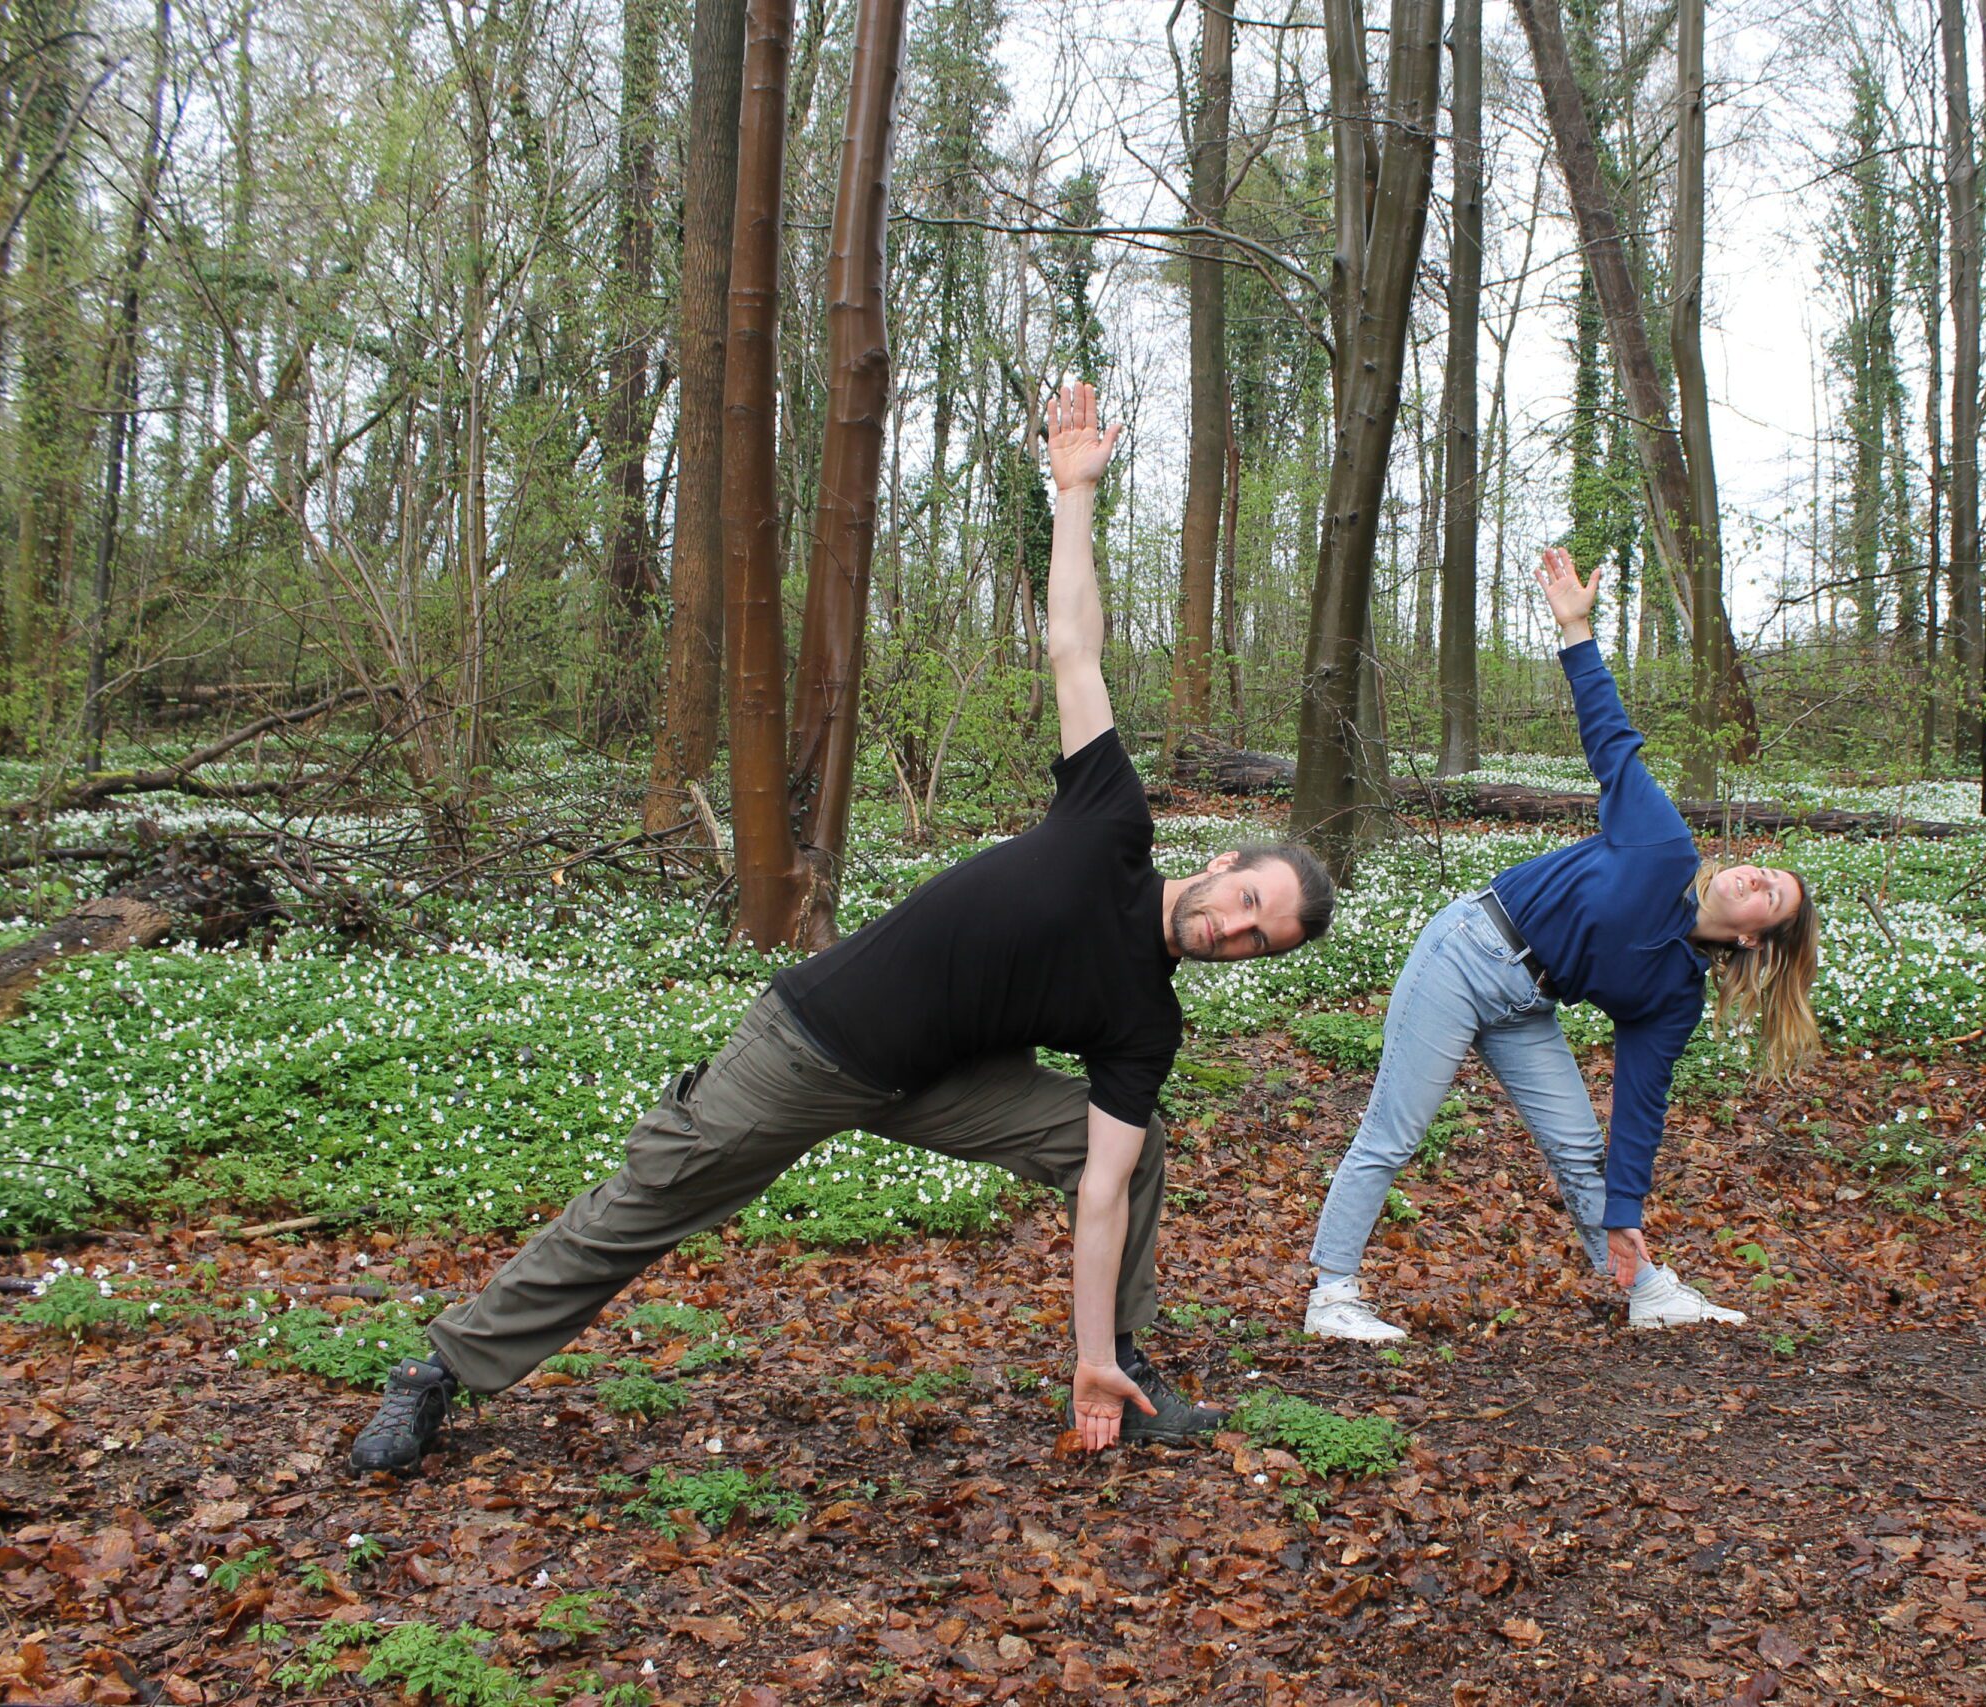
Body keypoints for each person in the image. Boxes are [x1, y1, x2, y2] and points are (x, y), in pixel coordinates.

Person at [351, 383, 1334, 1472]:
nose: (1234, 932)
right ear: (1224, 864)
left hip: (942, 1083)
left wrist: (1087, 1350)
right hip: (814, 1046)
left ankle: (1127, 1369)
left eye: (1259, 942)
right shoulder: (1110, 817)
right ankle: (439, 1369)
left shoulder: (1144, 1022)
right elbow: (1074, 650)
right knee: (650, 1201)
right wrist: (1072, 496)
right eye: (1248, 903)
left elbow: (1099, 1187)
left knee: (1129, 1148)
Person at [1302, 546, 1817, 1342]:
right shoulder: (1664, 845)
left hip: (1525, 999)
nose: (1752, 876)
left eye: (1769, 894)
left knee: (1583, 1149)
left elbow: (1641, 1107)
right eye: (1760, 868)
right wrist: (1575, 627)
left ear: (1753, 936)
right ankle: (1332, 1293)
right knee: (1396, 1128)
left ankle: (1643, 1287)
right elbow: (1611, 738)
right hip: (1468, 949)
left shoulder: (1674, 994)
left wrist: (1628, 1208)